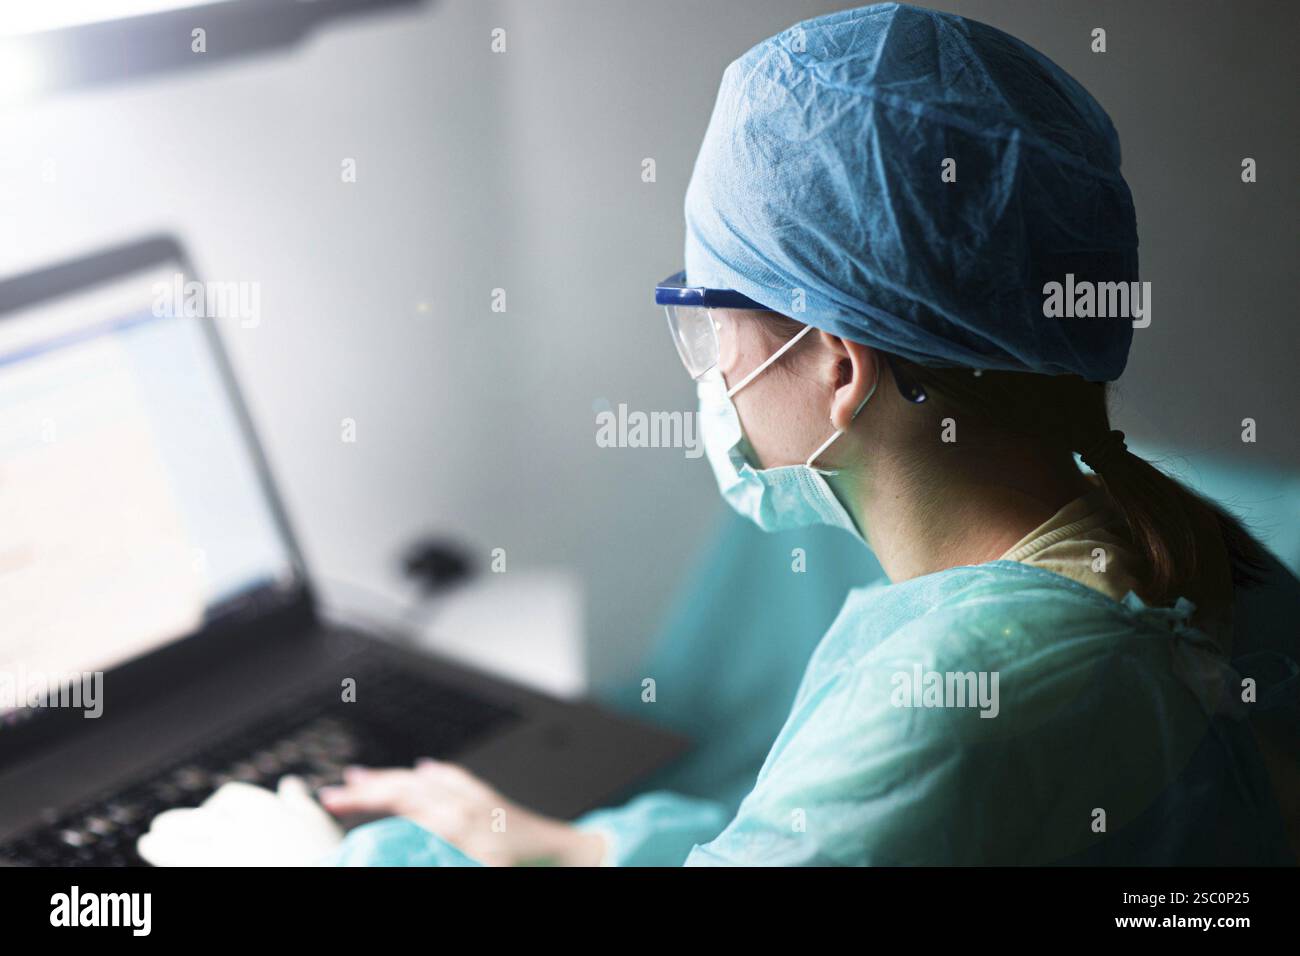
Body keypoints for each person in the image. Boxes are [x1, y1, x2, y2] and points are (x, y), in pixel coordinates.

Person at [139, 3, 1298, 867]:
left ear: (839, 369)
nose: (708, 372)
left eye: (711, 323)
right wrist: (566, 847)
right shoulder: (1153, 560)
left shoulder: (962, 697)